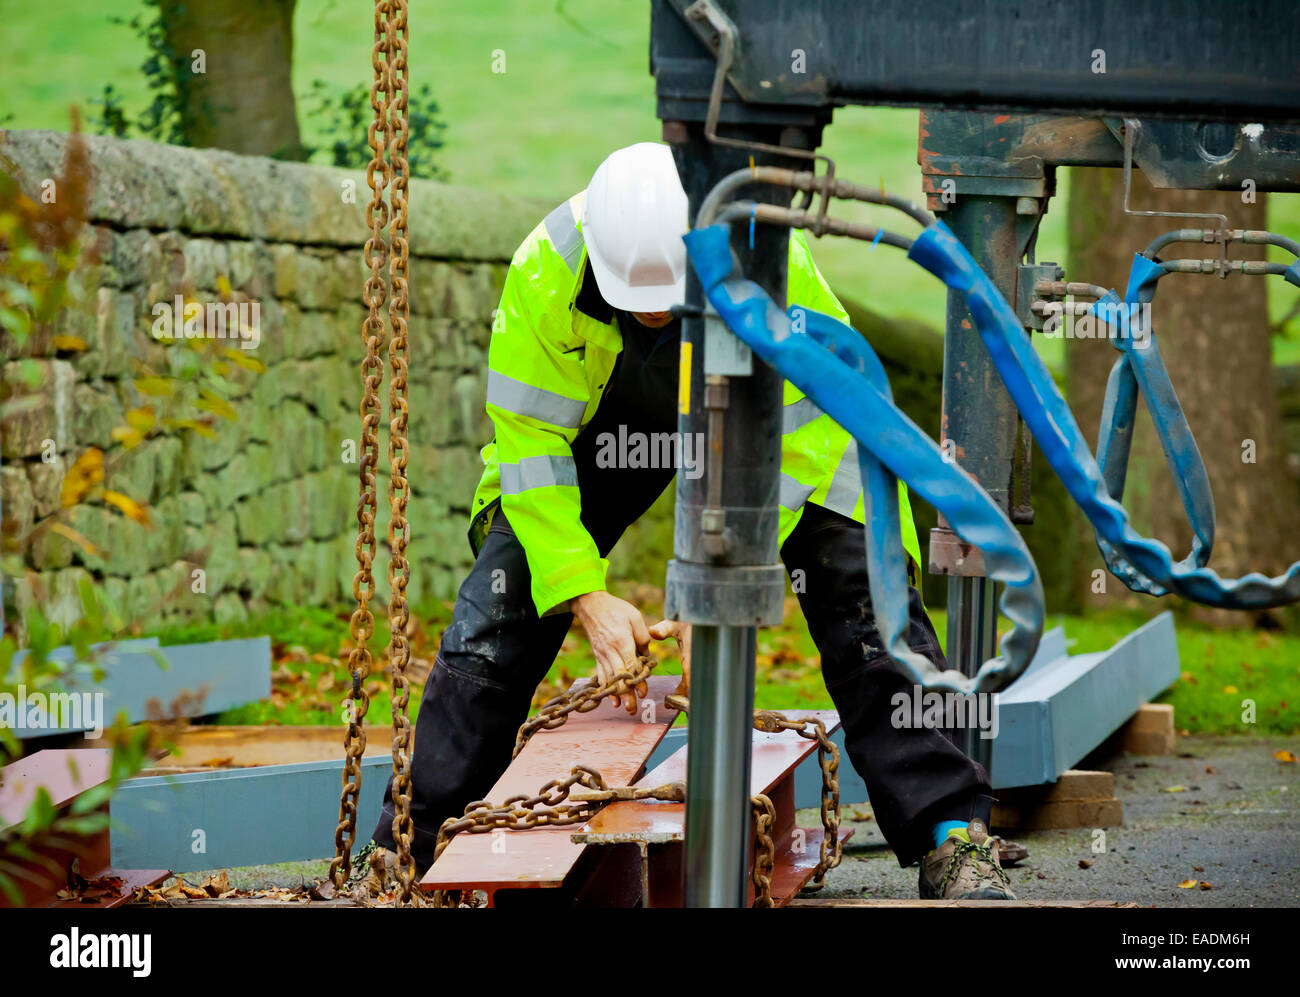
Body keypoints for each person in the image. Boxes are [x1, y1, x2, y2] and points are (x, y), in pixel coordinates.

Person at [364, 141, 1013, 901]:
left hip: (782, 429)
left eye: (661, 297)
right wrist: (582, 592)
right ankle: (403, 858)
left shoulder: (772, 264)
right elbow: (531, 445)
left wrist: (721, 593)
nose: (646, 311)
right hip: (609, 423)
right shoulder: (543, 270)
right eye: (631, 299)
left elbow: (806, 435)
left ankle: (953, 837)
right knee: (499, 606)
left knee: (862, 597)